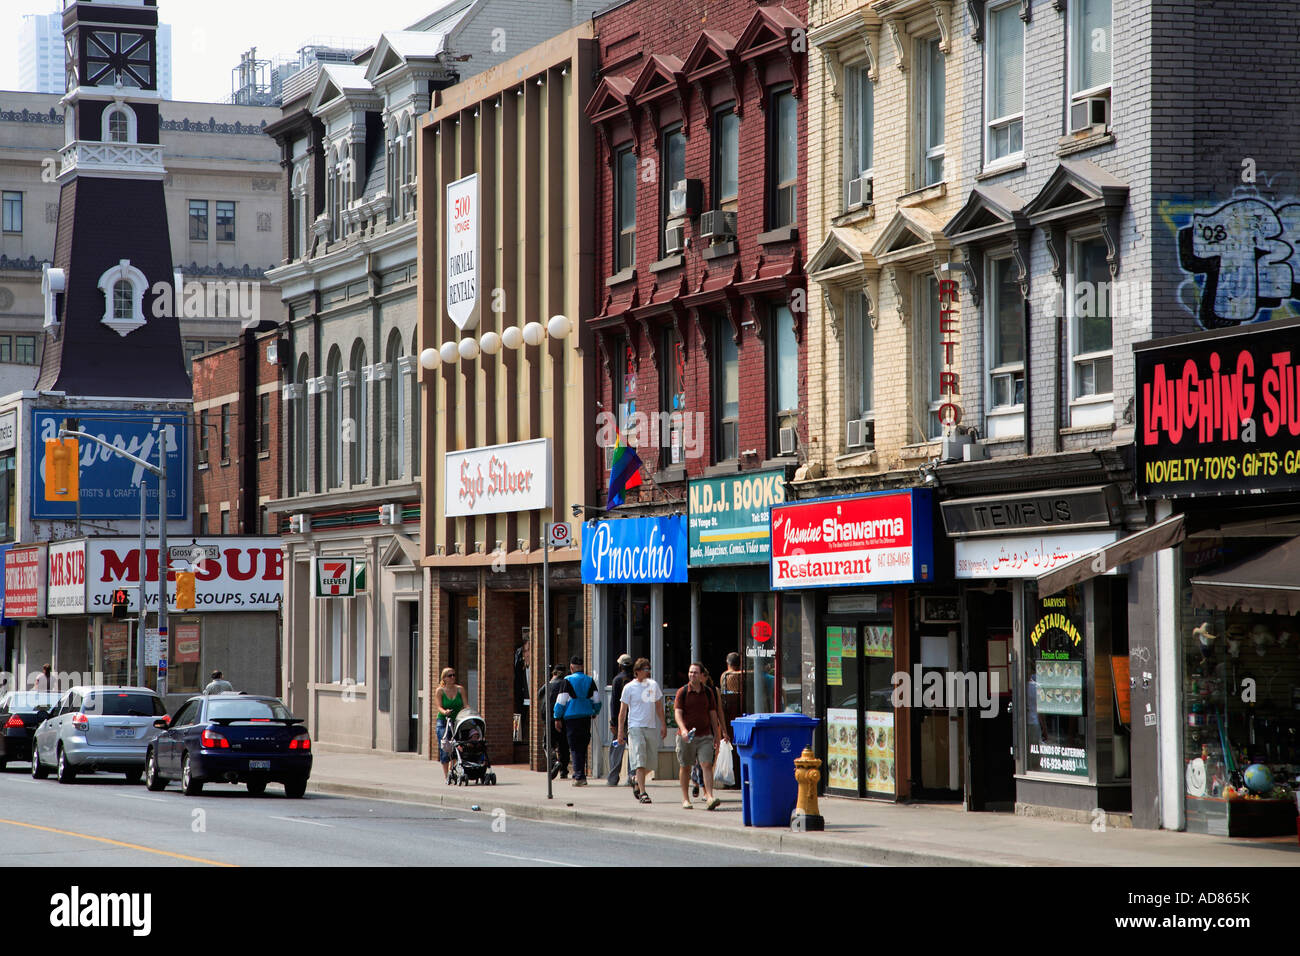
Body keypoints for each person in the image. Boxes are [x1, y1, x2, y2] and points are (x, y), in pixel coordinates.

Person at [674, 661, 724, 810]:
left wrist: (717, 735)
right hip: (687, 736)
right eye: (690, 672)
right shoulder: (682, 692)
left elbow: (713, 714)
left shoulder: (708, 692)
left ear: (702, 675)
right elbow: (677, 713)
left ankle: (709, 796)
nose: (692, 675)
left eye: (695, 672)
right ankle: (685, 799)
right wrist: (683, 729)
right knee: (686, 767)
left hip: (705, 735)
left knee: (707, 765)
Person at [617, 658, 665, 804]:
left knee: (651, 763)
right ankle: (643, 792)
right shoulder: (629, 688)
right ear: (637, 672)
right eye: (645, 669)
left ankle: (635, 780)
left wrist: (663, 724)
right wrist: (620, 732)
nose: (648, 671)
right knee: (640, 760)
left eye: (648, 669)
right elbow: (623, 711)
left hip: (650, 726)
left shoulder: (653, 685)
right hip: (635, 727)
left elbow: (658, 706)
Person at [553, 656, 601, 786]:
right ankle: (581, 774)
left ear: (571, 667)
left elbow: (561, 701)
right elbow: (597, 700)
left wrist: (557, 717)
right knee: (583, 745)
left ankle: (578, 776)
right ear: (582, 667)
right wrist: (595, 712)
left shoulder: (567, 681)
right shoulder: (590, 680)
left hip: (571, 718)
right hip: (585, 717)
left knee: (574, 746)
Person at [607, 654, 635, 786]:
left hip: (621, 720)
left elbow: (614, 703)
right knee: (633, 750)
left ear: (620, 665)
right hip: (634, 719)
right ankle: (631, 777)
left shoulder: (617, 680)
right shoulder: (634, 680)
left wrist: (613, 722)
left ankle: (613, 778)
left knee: (616, 749)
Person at [436, 667, 466, 784]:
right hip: (444, 720)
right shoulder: (440, 690)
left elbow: (465, 704)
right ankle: (446, 776)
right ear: (444, 678)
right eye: (450, 676)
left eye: (454, 675)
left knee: (456, 746)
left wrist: (470, 713)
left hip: (457, 720)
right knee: (445, 746)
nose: (453, 677)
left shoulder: (460, 689)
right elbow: (438, 706)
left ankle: (451, 770)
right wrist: (445, 711)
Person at [540, 665, 570, 779]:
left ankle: (554, 762)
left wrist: (549, 682)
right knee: (563, 744)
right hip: (563, 718)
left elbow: (539, 694)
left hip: (549, 718)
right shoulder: (566, 684)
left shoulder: (550, 684)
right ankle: (564, 771)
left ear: (554, 673)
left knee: (547, 743)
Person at [719, 652, 744, 789]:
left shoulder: (726, 676)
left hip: (729, 715)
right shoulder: (743, 676)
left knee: (730, 748)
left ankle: (729, 779)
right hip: (741, 713)